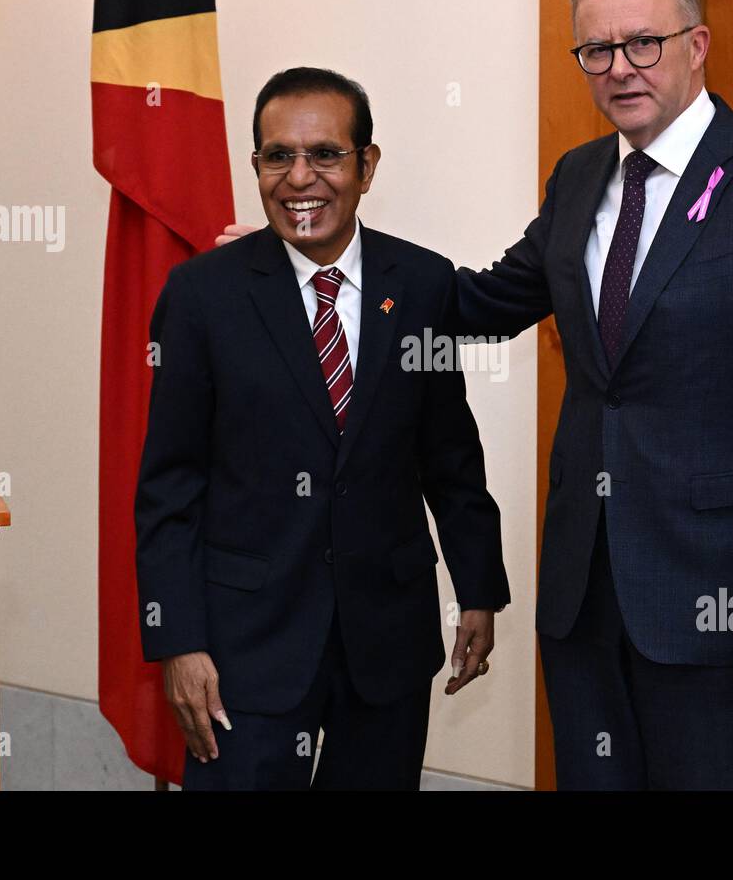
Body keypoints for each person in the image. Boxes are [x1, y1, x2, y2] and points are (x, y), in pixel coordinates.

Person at [218, 0, 733, 790]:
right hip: (584, 596)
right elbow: (481, 302)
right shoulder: (582, 176)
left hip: (716, 600)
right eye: (596, 51)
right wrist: (314, 260)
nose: (619, 68)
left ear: (697, 43)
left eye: (642, 42)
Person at [138, 67, 509, 790]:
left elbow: (451, 460)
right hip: (244, 654)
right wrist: (178, 642)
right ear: (256, 167)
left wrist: (480, 590)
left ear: (366, 166)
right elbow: (168, 490)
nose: (299, 177)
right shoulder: (201, 296)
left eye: (325, 155)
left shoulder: (425, 284)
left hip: (387, 644)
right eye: (278, 156)